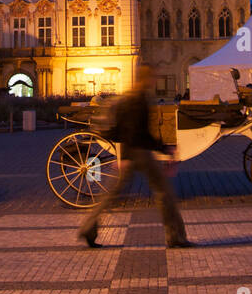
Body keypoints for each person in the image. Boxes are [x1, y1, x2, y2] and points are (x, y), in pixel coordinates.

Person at [78, 66, 189, 249]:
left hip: (133, 152)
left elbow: (123, 129)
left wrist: (124, 156)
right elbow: (137, 132)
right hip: (140, 152)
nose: (154, 81)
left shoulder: (130, 98)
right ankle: (175, 236)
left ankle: (88, 227)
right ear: (146, 80)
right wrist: (163, 148)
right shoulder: (139, 100)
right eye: (152, 78)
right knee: (164, 193)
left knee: (111, 194)